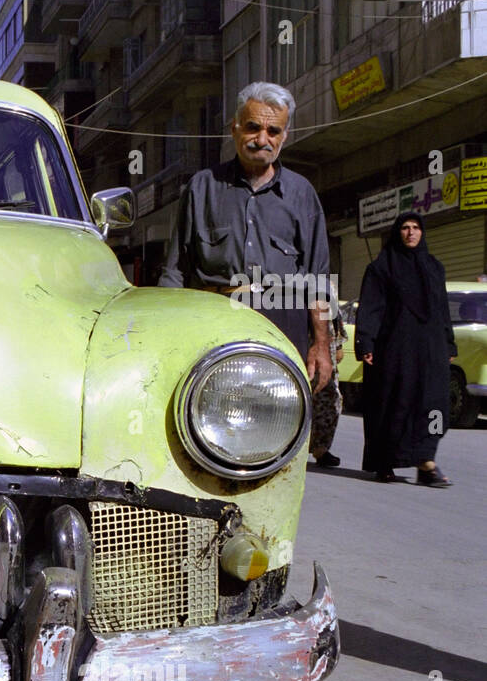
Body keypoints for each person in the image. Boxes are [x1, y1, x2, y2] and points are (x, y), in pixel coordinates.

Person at [160, 81, 334, 394]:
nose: (262, 139)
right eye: (253, 128)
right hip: (214, 319)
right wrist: (165, 334)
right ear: (235, 129)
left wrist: (322, 344)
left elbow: (318, 280)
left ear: (285, 135)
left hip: (284, 322)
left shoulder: (302, 194)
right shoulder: (202, 187)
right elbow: (175, 272)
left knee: (281, 420)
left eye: (274, 131)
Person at [355, 212, 456, 486]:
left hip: (431, 348)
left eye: (415, 228)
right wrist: (366, 341)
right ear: (396, 233)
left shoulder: (435, 267)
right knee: (393, 403)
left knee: (432, 404)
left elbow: (442, 309)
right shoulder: (382, 268)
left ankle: (426, 461)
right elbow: (372, 307)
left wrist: (449, 342)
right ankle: (384, 461)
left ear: (422, 233)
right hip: (395, 349)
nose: (411, 233)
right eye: (405, 228)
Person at [309, 312, 347, 467]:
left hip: (326, 343)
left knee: (330, 397)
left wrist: (338, 345)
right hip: (309, 339)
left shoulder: (329, 288)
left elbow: (333, 311)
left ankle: (321, 448)